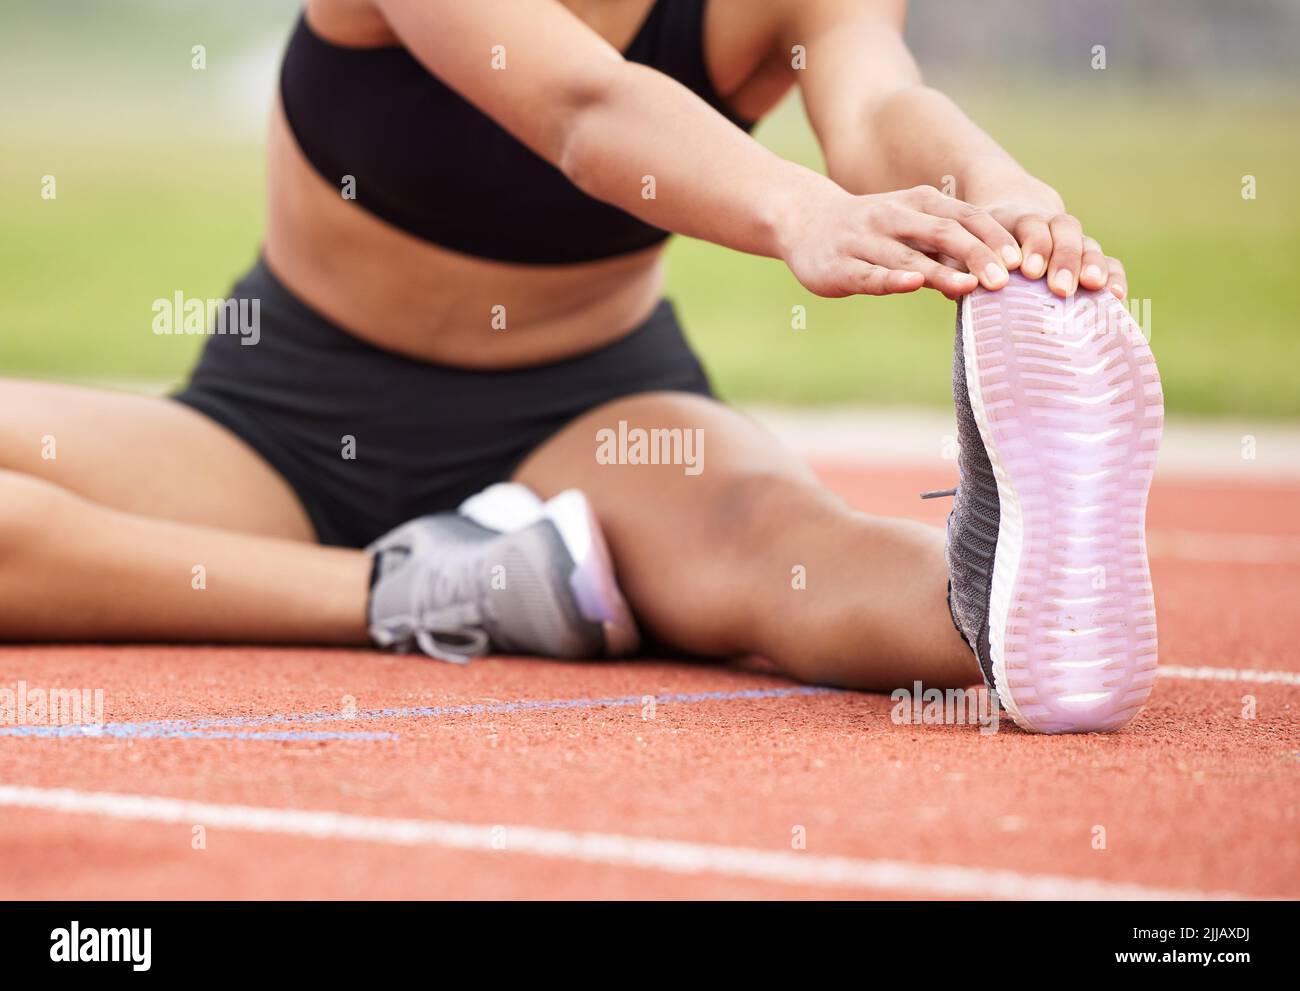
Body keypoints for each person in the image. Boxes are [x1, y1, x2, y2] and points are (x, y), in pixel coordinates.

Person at [0, 0, 1160, 733]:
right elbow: (578, 106)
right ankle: (432, 591)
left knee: (780, 544)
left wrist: (1002, 193)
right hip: (274, 427)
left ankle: (999, 592)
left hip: (593, 420)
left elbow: (878, 107)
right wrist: (800, 211)